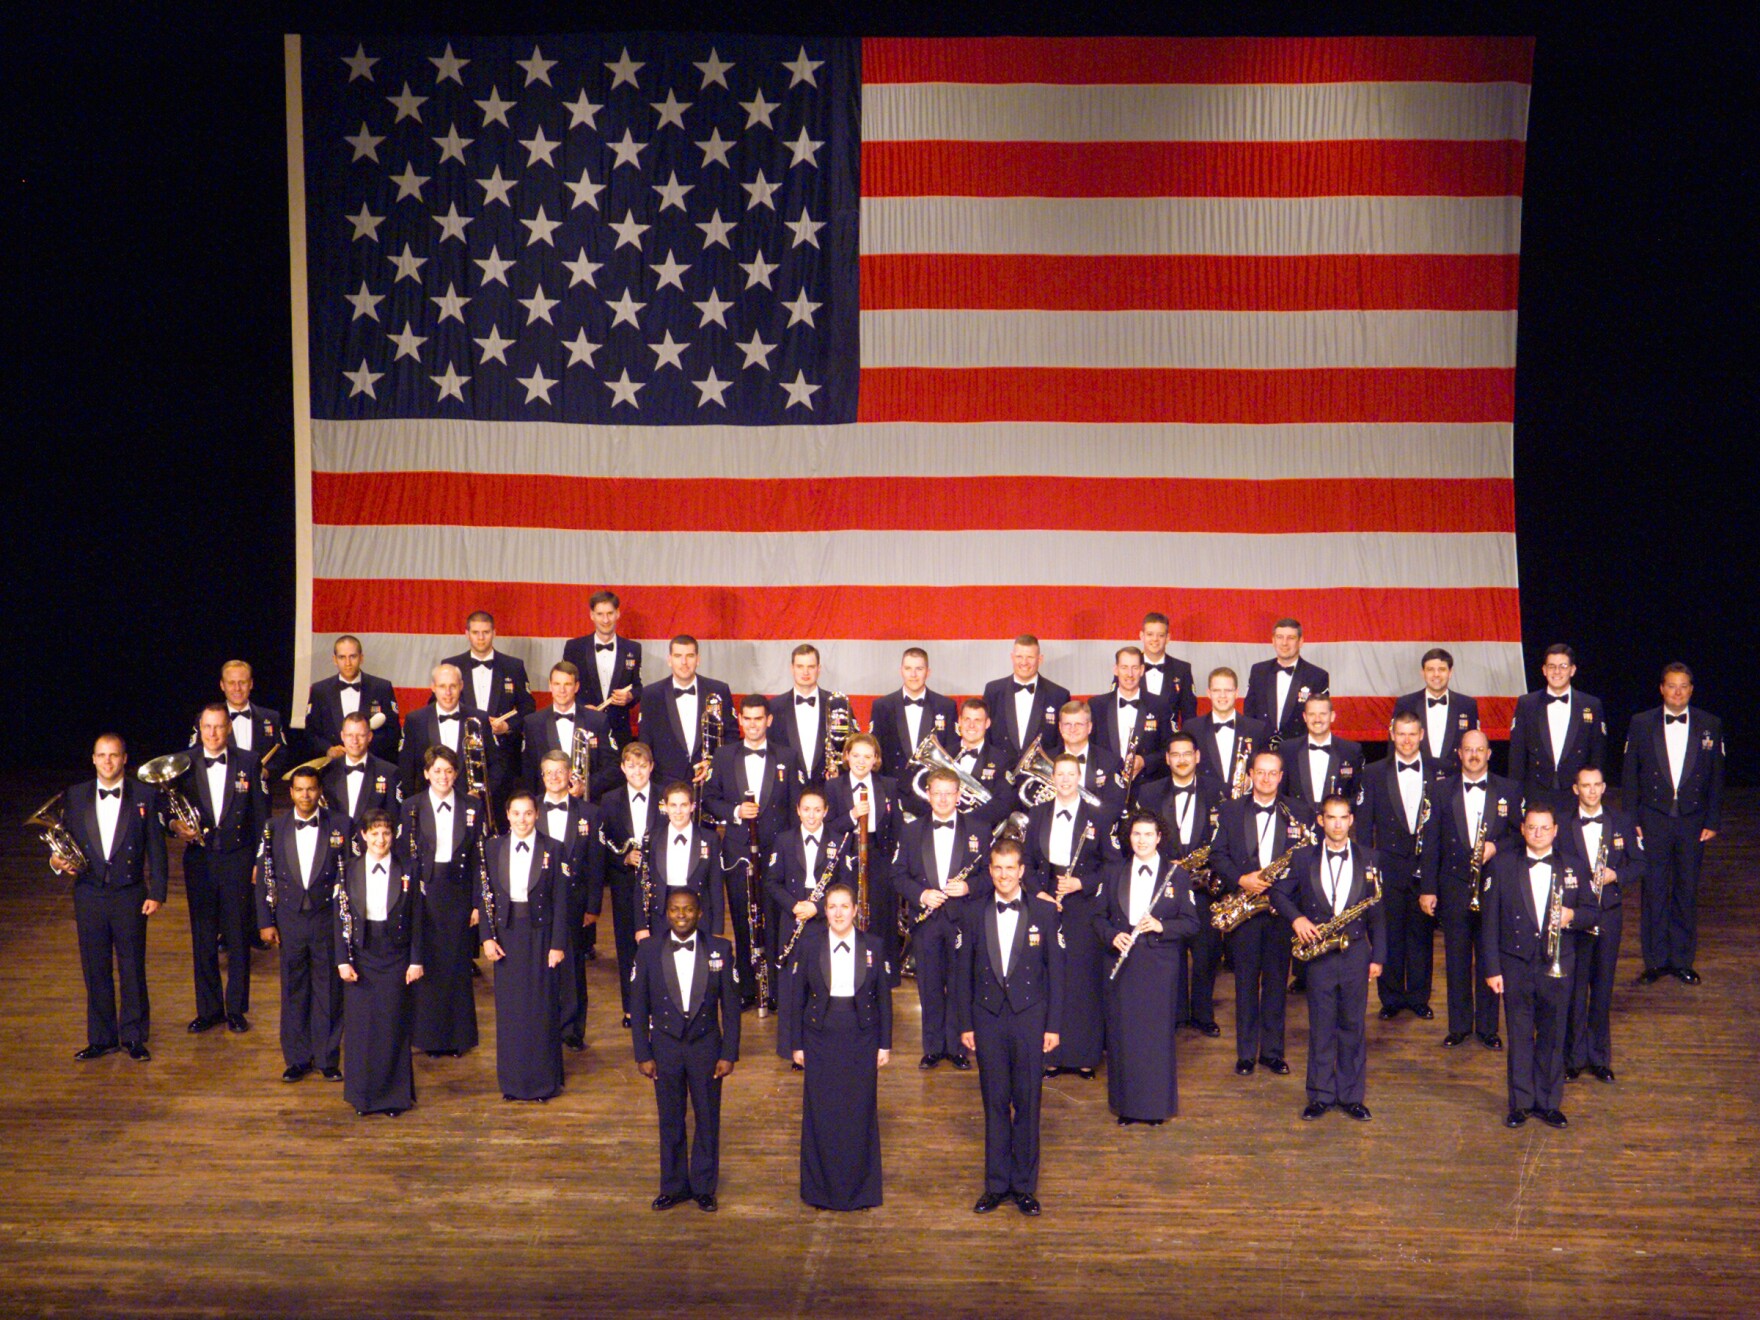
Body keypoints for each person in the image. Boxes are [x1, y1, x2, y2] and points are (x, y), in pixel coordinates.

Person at [956, 840, 1063, 1215]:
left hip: (1030, 1018)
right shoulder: (972, 912)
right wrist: (966, 1023)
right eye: (997, 868)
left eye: (1010, 868)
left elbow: (1057, 975)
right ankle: (996, 1185)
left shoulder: (1045, 913)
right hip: (986, 1019)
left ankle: (1024, 1187)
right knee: (995, 1103)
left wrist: (1053, 1026)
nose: (1003, 875)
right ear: (990, 870)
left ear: (1021, 872)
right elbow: (962, 974)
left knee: (1029, 1103)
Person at [1482, 804, 1596, 1128]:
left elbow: (1593, 911)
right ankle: (1520, 1103)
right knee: (1519, 1036)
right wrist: (1492, 969)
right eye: (1532, 827)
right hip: (1515, 964)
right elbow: (1489, 923)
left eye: (1544, 828)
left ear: (1555, 831)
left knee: (1553, 1034)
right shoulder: (1502, 866)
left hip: (1557, 965)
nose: (1538, 834)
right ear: (1522, 829)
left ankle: (1548, 1102)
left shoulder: (1573, 866)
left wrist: (1572, 916)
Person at [54, 734, 167, 1061]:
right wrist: (56, 862)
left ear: (124, 758)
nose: (107, 761)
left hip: (130, 894)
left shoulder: (144, 794)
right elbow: (61, 841)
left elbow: (156, 849)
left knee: (132, 967)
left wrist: (157, 891)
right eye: (101, 755)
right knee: (95, 967)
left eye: (113, 755)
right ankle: (101, 1038)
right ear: (93, 759)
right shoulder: (75, 796)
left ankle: (133, 1036)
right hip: (89, 894)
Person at [1275, 795, 1385, 1121]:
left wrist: (1378, 956)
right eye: (1330, 818)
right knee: (1321, 1026)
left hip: (1355, 953)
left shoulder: (1371, 858)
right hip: (1319, 954)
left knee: (1353, 1025)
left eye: (1343, 818)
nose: (1337, 824)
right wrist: (1296, 918)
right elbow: (1279, 894)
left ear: (1351, 820)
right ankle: (1320, 1095)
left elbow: (1379, 912)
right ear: (1321, 821)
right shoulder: (1302, 857)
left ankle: (1352, 1096)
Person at [630, 889, 741, 1212]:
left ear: (699, 913)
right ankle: (674, 1185)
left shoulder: (721, 949)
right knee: (670, 1118)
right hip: (664, 1047)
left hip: (706, 1046)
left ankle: (704, 1186)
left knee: (707, 1117)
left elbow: (731, 1008)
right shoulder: (648, 950)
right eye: (675, 910)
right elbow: (638, 1007)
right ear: (666, 913)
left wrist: (729, 1053)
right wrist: (643, 1053)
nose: (681, 915)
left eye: (688, 910)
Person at [785, 881, 891, 1211]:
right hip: (820, 1036)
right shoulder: (810, 943)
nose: (839, 913)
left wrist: (884, 1044)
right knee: (822, 1111)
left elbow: (884, 1000)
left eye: (845, 906)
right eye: (832, 906)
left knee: (859, 1110)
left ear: (856, 911)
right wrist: (796, 1045)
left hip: (862, 1036)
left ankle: (861, 1191)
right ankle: (820, 1191)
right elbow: (795, 998)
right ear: (825, 911)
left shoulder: (873, 944)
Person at [1622, 663, 1724, 986]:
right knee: (1653, 889)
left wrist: (1712, 819)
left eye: (1683, 686)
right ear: (1661, 689)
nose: (1677, 692)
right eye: (1671, 686)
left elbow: (1717, 779)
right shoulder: (1641, 723)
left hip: (1693, 820)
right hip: (1653, 817)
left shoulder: (1710, 723)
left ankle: (1682, 959)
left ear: (1691, 690)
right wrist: (1631, 820)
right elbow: (1630, 775)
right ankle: (1655, 961)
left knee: (1686, 889)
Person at [1420, 730, 1522, 1049]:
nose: (1474, 755)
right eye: (1468, 750)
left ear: (1490, 753)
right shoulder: (1439, 790)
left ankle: (1489, 1028)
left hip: (1494, 890)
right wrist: (1428, 888)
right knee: (1457, 958)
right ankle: (1460, 1025)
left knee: (1491, 957)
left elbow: (1523, 837)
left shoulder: (1509, 789)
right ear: (1459, 754)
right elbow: (1431, 843)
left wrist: (1497, 845)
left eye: (1480, 750)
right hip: (1454, 887)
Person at [1212, 750, 1310, 1076]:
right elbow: (1218, 855)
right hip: (1245, 909)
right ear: (1251, 774)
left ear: (1281, 777)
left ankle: (1272, 1052)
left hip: (1282, 912)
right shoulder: (1230, 810)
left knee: (1276, 984)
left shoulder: (1298, 811)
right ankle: (1245, 1054)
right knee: (1244, 984)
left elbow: (1306, 861)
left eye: (1273, 773)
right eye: (1261, 772)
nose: (1267, 778)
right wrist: (1241, 879)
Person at [1097, 812, 1199, 1125]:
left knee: (1155, 1039)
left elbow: (1192, 923)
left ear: (1159, 838)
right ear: (1130, 839)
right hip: (1123, 962)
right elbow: (1097, 918)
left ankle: (1155, 1108)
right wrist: (1113, 936)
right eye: (1136, 834)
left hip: (1159, 967)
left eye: (1148, 834)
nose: (1141, 840)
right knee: (1124, 1037)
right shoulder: (1114, 871)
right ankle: (1126, 1107)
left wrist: (1160, 925)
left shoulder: (1176, 875)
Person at [174, 703, 268, 1034]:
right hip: (199, 861)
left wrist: (260, 862)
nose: (213, 733)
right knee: (202, 937)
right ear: (199, 728)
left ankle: (236, 1010)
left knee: (239, 934)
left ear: (228, 728)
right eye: (207, 727)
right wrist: (175, 825)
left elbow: (261, 817)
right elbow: (165, 810)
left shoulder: (249, 761)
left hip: (238, 860)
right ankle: (209, 1009)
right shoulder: (182, 763)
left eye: (218, 726)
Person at [702, 694, 795, 1010]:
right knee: (743, 921)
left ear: (769, 721)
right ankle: (747, 988)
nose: (753, 724)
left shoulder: (787, 755)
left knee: (774, 920)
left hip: (776, 854)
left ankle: (776, 989)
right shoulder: (724, 755)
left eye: (759, 718)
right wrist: (736, 812)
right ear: (739, 721)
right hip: (738, 851)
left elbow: (795, 808)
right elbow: (710, 800)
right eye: (747, 718)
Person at [255, 765, 347, 1082]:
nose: (305, 795)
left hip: (327, 920)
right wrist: (266, 921)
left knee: (329, 991)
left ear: (319, 791)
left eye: (311, 789)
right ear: (291, 792)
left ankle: (327, 1058)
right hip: (290, 921)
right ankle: (297, 1058)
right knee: (293, 990)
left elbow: (350, 876)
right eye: (299, 789)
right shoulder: (273, 827)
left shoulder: (341, 825)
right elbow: (265, 877)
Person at [893, 769, 990, 1069]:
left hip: (963, 920)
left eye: (950, 793)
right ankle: (933, 1046)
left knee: (961, 984)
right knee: (929, 985)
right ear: (928, 794)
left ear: (959, 796)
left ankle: (958, 1047)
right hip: (927, 920)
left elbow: (992, 875)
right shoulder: (911, 831)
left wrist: (969, 886)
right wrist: (922, 895)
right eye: (938, 792)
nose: (944, 798)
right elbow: (897, 875)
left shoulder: (980, 829)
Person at [1021, 753, 1110, 1078]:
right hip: (1047, 903)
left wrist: (1081, 883)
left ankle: (1084, 1054)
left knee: (1082, 979)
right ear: (1052, 777)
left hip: (1082, 905)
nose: (1066, 779)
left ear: (1080, 777)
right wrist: (1038, 893)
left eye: (1072, 774)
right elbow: (1027, 861)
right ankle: (1051, 1055)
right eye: (1060, 774)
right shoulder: (1039, 812)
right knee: (1049, 976)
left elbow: (1111, 866)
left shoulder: (1096, 816)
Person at [396, 746, 484, 1058]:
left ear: (456, 773)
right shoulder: (411, 806)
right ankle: (429, 1039)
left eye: (448, 771)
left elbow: (478, 857)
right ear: (426, 773)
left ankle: (457, 1037)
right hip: (424, 892)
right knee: (428, 964)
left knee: (457, 965)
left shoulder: (472, 805)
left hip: (458, 892)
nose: (443, 776)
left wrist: (477, 902)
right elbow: (404, 855)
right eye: (437, 771)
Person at [481, 792, 569, 1102]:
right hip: (506, 936)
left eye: (528, 813)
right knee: (511, 1011)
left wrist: (557, 944)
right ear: (507, 815)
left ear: (537, 815)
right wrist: (487, 937)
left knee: (540, 1008)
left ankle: (543, 1083)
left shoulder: (554, 848)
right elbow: (484, 893)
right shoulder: (492, 847)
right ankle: (513, 1083)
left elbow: (561, 901)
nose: (522, 819)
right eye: (516, 813)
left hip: (541, 935)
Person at [336, 810, 424, 1117]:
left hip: (396, 954)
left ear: (393, 836)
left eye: (385, 833)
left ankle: (393, 1098)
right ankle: (364, 1097)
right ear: (363, 836)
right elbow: (340, 918)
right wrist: (342, 960)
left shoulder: (409, 868)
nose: (380, 839)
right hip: (361, 954)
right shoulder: (348, 869)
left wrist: (415, 960)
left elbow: (417, 919)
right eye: (374, 833)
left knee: (392, 1024)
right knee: (362, 1029)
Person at [1138, 731, 1226, 1036]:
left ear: (1197, 756)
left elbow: (1226, 840)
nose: (1181, 760)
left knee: (1206, 953)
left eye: (1187, 753)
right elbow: (1139, 837)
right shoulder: (1149, 793)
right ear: (1167, 759)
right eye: (1175, 754)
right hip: (1165, 885)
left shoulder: (1218, 790)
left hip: (1205, 884)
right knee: (1170, 951)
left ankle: (1203, 1014)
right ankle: (1174, 1016)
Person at [1355, 712, 1439, 1021]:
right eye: (1400, 734)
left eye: (1411, 734)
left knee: (1421, 936)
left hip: (1424, 866)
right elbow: (1364, 827)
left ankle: (1418, 997)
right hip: (1386, 867)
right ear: (1392, 734)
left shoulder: (1437, 772)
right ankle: (1389, 998)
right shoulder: (1374, 772)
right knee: (1387, 933)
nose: (1406, 740)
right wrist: (1365, 870)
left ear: (1421, 735)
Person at [1563, 766, 1641, 1083]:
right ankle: (1574, 1057)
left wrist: (1616, 876)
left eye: (1597, 785)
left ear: (1604, 786)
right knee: (1575, 988)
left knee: (1603, 988)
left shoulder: (1620, 821)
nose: (1592, 791)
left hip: (1609, 912)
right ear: (1575, 789)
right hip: (1577, 916)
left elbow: (1640, 863)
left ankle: (1599, 1057)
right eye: (1586, 785)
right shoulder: (1563, 824)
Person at [533, 751, 602, 1051]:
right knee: (539, 965)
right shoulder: (528, 809)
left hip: (574, 902)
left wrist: (593, 906)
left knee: (573, 968)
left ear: (570, 774)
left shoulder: (590, 812)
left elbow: (596, 864)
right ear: (542, 775)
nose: (555, 777)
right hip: (536, 903)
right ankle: (542, 1027)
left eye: (560, 771)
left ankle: (573, 1029)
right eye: (549, 772)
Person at [821, 734, 903, 979]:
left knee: (880, 914)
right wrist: (852, 814)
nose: (861, 761)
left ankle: (883, 972)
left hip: (878, 856)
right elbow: (829, 827)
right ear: (846, 756)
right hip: (848, 855)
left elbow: (896, 825)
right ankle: (847, 971)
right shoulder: (833, 786)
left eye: (868, 756)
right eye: (855, 755)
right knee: (848, 911)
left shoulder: (888, 784)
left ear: (875, 759)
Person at [442, 610, 535, 825]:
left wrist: (507, 726)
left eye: (486, 632)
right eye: (476, 632)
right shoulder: (451, 665)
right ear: (467, 634)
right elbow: (436, 705)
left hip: (503, 761)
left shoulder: (513, 665)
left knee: (502, 823)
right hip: (461, 761)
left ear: (495, 632)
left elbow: (528, 707)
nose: (481, 638)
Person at [598, 741, 664, 1027]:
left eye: (643, 765)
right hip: (625, 883)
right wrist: (624, 858)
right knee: (627, 946)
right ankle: (631, 1009)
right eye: (631, 766)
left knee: (660, 945)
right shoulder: (610, 800)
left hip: (661, 885)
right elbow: (604, 840)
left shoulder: (665, 796)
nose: (637, 771)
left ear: (651, 767)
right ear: (623, 768)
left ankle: (660, 1007)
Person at [1506, 644, 1607, 817]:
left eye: (1563, 666)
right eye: (1551, 666)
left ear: (1573, 670)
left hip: (1576, 794)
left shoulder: (1591, 705)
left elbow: (1597, 754)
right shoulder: (1526, 704)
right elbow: (1517, 755)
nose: (1557, 672)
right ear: (1544, 670)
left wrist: (1593, 794)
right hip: (1536, 793)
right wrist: (1515, 797)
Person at [636, 635, 736, 796]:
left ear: (698, 659)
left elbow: (731, 738)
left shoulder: (718, 690)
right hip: (665, 787)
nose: (684, 662)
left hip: (709, 785)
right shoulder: (651, 694)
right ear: (669, 660)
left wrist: (713, 766)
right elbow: (645, 742)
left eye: (690, 656)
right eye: (678, 656)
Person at [870, 647, 959, 816]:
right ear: (901, 671)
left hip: (932, 796)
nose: (913, 674)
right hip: (894, 794)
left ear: (928, 672)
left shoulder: (946, 706)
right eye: (908, 668)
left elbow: (952, 752)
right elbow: (876, 753)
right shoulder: (882, 706)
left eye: (919, 669)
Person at [637, 782, 724, 939]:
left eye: (683, 805)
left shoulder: (710, 838)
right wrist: (641, 926)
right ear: (665, 807)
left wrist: (717, 929)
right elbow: (642, 884)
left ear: (692, 807)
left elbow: (716, 886)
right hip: (661, 915)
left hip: (699, 915)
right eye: (673, 805)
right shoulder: (652, 838)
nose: (678, 811)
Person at [522, 661, 619, 799]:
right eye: (557, 684)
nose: (562, 690)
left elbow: (612, 767)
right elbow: (528, 772)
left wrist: (585, 786)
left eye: (567, 684)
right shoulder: (533, 722)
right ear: (550, 685)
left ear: (576, 687)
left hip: (587, 804)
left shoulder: (597, 721)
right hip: (546, 805)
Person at [767, 643, 855, 790]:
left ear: (819, 669)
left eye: (811, 667)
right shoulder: (775, 706)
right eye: (800, 666)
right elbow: (768, 749)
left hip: (830, 788)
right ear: (792, 668)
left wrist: (840, 773)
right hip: (787, 790)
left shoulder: (837, 703)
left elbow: (853, 745)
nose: (805, 672)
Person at [561, 588, 642, 746]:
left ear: (617, 613)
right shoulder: (574, 647)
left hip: (619, 731)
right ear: (592, 615)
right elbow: (565, 687)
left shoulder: (633, 649)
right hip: (584, 727)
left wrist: (630, 696)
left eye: (610, 613)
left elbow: (637, 686)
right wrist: (582, 707)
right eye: (600, 614)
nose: (605, 620)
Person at [303, 634, 401, 765]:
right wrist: (328, 749)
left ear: (361, 658)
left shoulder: (381, 688)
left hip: (372, 765)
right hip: (333, 768)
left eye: (353, 656)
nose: (347, 663)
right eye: (342, 657)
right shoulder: (320, 690)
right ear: (334, 659)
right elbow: (311, 733)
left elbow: (393, 732)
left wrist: (361, 748)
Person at [1090, 645, 1173, 795]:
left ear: (1142, 670)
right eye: (1124, 667)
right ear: (1115, 670)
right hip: (1105, 789)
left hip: (1146, 789)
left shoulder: (1159, 705)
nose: (1129, 674)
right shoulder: (1096, 705)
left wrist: (1145, 762)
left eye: (1134, 668)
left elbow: (1168, 749)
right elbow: (1090, 748)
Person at [1390, 648, 1479, 781]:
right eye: (1430, 669)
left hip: (1455, 781)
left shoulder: (1467, 705)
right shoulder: (1406, 703)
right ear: (1423, 673)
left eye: (1442, 669)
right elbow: (1393, 747)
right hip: (1415, 778)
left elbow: (1474, 746)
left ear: (1450, 672)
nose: (1436, 674)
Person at [1242, 619, 1329, 749]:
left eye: (1291, 638)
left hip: (1299, 751)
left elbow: (1320, 719)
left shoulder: (1316, 676)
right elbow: (1249, 713)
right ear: (1273, 641)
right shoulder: (1258, 671)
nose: (1284, 643)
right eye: (1279, 637)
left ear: (1300, 642)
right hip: (1263, 752)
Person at [982, 634, 1071, 761]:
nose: (1024, 662)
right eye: (1019, 657)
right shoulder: (993, 691)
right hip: (1000, 772)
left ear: (1040, 659)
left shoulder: (1058, 695)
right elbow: (985, 735)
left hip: (1041, 775)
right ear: (1012, 657)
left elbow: (1061, 742)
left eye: (1030, 657)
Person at [1185, 667, 1269, 799]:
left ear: (1236, 693)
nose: (1222, 696)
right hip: (1204, 806)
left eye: (1228, 690)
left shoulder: (1257, 729)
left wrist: (1251, 784)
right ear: (1208, 693)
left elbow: (1266, 770)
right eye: (1217, 690)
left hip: (1244, 808)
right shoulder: (1192, 728)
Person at [202, 659, 289, 783]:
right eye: (231, 683)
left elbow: (282, 754)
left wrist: (267, 772)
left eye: (242, 682)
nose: (237, 688)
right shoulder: (207, 718)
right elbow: (197, 755)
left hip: (259, 793)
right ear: (222, 685)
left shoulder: (271, 717)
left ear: (251, 684)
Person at [319, 711, 400, 839]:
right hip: (337, 848)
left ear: (370, 736)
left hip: (372, 850)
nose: (355, 741)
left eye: (360, 735)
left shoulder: (389, 772)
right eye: (350, 735)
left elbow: (394, 819)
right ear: (342, 736)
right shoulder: (327, 771)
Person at [1279, 694, 1364, 814]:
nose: (1317, 719)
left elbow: (1357, 794)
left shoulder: (1351, 750)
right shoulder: (1288, 749)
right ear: (1304, 717)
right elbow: (1281, 793)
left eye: (1323, 714)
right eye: (1312, 714)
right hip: (1297, 824)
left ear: (1332, 716)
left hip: (1336, 826)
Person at [397, 662, 468, 800]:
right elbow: (407, 768)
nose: (448, 692)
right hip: (426, 803)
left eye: (453, 686)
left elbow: (495, 764)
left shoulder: (478, 718)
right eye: (442, 686)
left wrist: (478, 794)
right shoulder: (415, 720)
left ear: (461, 686)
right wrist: (415, 803)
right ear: (433, 687)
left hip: (467, 803)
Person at [1135, 611, 1197, 726]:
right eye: (1150, 634)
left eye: (1161, 635)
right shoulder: (1128, 667)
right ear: (1141, 636)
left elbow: (1189, 716)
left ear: (1168, 638)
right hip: (1135, 741)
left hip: (1170, 741)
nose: (1155, 639)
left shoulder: (1182, 670)